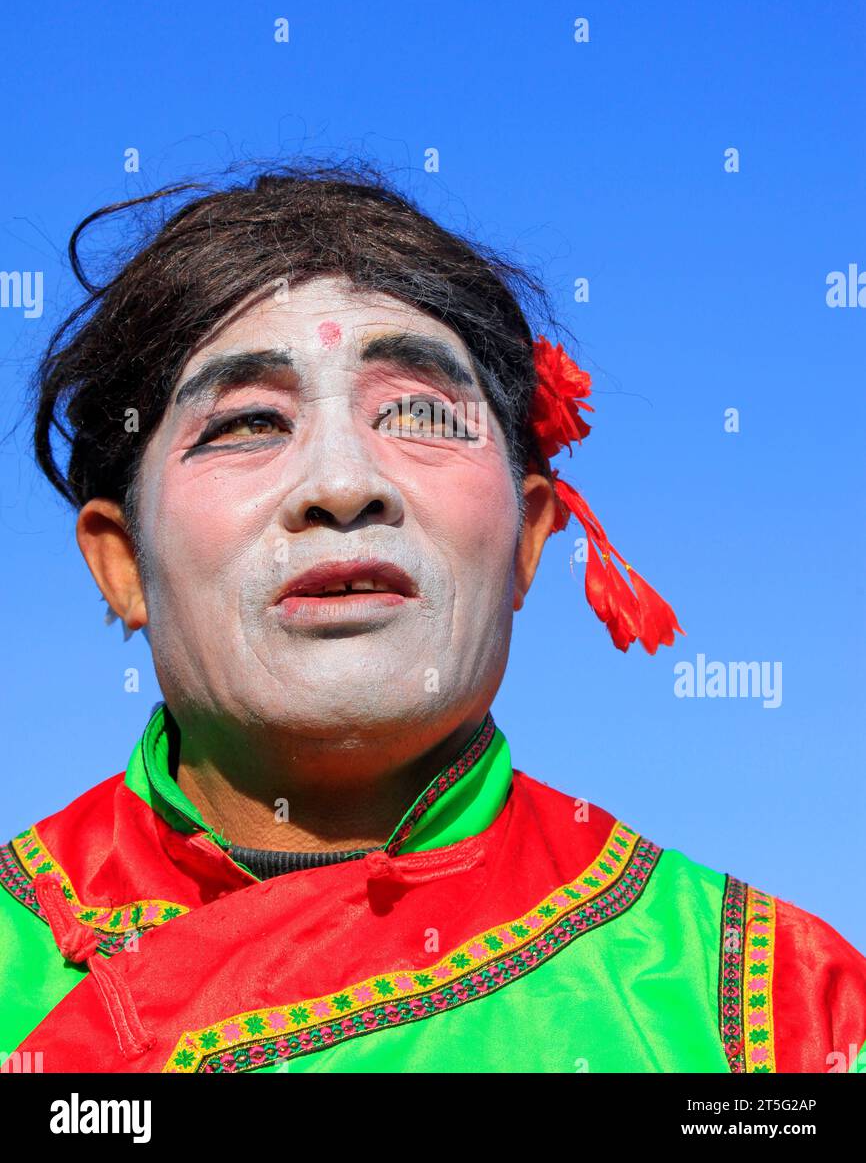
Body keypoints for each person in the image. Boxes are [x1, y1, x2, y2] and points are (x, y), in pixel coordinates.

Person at [2, 163, 864, 1075]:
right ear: (122, 564)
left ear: (531, 537)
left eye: (419, 412)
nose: (342, 486)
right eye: (250, 422)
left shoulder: (772, 1016)